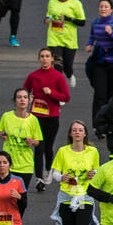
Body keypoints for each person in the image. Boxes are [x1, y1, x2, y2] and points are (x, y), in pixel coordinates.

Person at [49, 121, 100, 225]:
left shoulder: (92, 151)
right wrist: (62, 177)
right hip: (67, 196)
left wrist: (93, 174)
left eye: (80, 130)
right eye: (74, 130)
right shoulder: (63, 151)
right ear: (70, 134)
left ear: (85, 134)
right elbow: (55, 174)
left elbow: (97, 171)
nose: (77, 132)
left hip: (85, 196)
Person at [25, 48, 71, 190]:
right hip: (36, 117)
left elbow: (66, 97)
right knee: (38, 147)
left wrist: (51, 93)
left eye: (47, 56)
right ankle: (39, 178)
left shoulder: (58, 76)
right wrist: (28, 98)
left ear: (52, 59)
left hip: (52, 116)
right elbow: (24, 91)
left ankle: (48, 170)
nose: (44, 59)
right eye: (42, 56)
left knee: (48, 148)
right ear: (39, 59)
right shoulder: (33, 76)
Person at [84, 0, 113, 118]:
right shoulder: (95, 23)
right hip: (99, 61)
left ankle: (109, 121)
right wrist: (89, 44)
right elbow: (92, 36)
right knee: (99, 94)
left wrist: (112, 34)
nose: (103, 9)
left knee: (111, 94)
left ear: (111, 10)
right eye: (101, 6)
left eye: (106, 7)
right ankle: (97, 124)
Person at [0, 86, 42, 193]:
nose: (22, 100)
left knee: (21, 198)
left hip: (26, 165)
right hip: (8, 164)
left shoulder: (33, 120)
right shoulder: (7, 116)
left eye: (25, 97)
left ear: (29, 100)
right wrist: (2, 135)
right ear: (14, 100)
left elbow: (38, 141)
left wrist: (32, 141)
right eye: (19, 97)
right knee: (7, 196)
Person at [45, 0, 86, 86]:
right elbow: (49, 15)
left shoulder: (76, 3)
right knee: (58, 66)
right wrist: (47, 20)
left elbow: (82, 22)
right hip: (54, 38)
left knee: (67, 66)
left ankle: (70, 74)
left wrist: (69, 19)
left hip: (69, 39)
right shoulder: (51, 2)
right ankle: (59, 92)